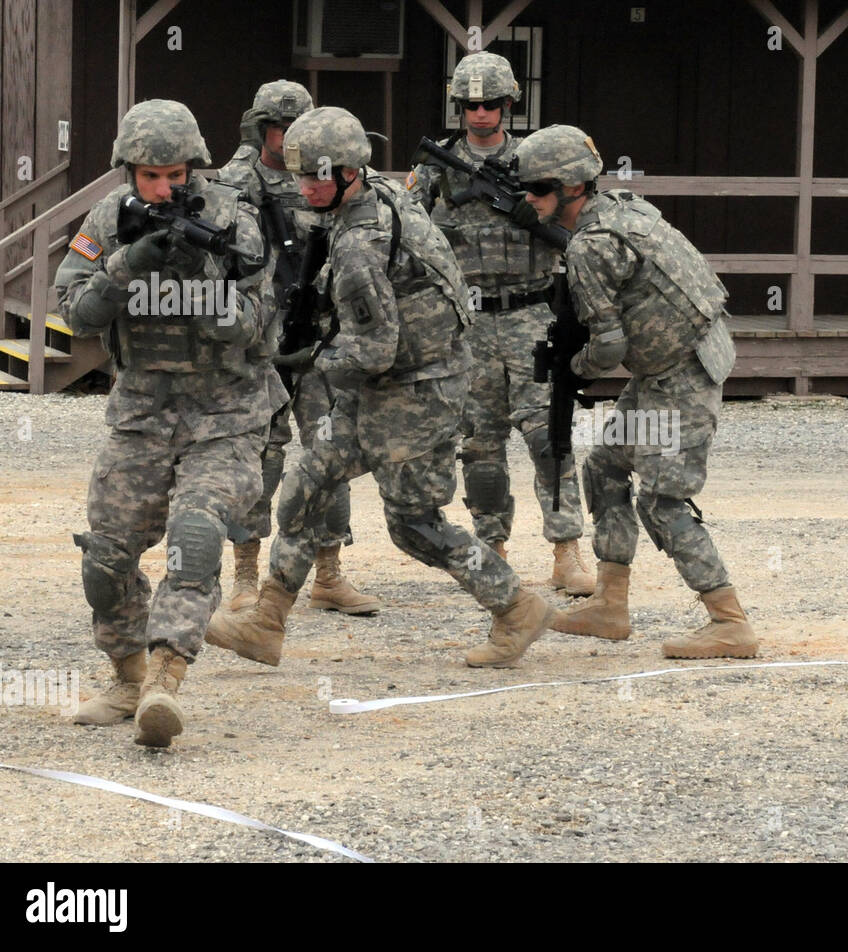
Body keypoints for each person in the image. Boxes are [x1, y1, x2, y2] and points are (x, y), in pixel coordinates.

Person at [206, 107, 555, 669]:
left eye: (318, 175)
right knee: (305, 486)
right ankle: (266, 622)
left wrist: (307, 357)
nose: (305, 188)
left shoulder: (359, 245)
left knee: (414, 526)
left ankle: (515, 607)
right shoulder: (375, 196)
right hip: (396, 382)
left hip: (418, 391)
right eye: (300, 175)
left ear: (348, 171)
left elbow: (372, 350)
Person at [55, 99, 279, 746]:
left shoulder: (232, 220)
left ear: (195, 168)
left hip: (225, 413)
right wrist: (129, 266)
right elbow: (77, 315)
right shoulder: (107, 220)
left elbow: (257, 328)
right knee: (106, 557)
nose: (163, 188)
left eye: (175, 175)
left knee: (196, 538)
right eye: (149, 176)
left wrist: (203, 278)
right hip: (142, 413)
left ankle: (165, 681)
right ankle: (126, 676)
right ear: (128, 171)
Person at [513, 125, 759, 659]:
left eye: (537, 188)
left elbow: (606, 347)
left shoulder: (592, 247)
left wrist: (568, 368)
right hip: (666, 370)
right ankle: (610, 604)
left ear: (572, 187)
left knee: (661, 499)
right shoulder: (625, 209)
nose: (528, 200)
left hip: (682, 375)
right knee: (605, 465)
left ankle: (729, 621)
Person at [407, 51, 594, 595]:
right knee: (480, 445)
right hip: (469, 320)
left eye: (491, 104)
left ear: (509, 104)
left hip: (532, 312)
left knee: (548, 435)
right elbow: (402, 219)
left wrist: (533, 214)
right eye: (470, 105)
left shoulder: (534, 160)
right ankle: (491, 548)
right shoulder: (438, 167)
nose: (481, 114)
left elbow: (576, 213)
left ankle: (566, 549)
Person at [218, 79, 380, 616]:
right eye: (277, 128)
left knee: (327, 447)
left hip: (317, 333)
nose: (286, 138)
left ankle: (329, 572)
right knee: (259, 452)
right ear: (259, 128)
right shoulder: (234, 182)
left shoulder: (332, 177)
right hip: (259, 335)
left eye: (295, 129)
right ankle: (245, 574)